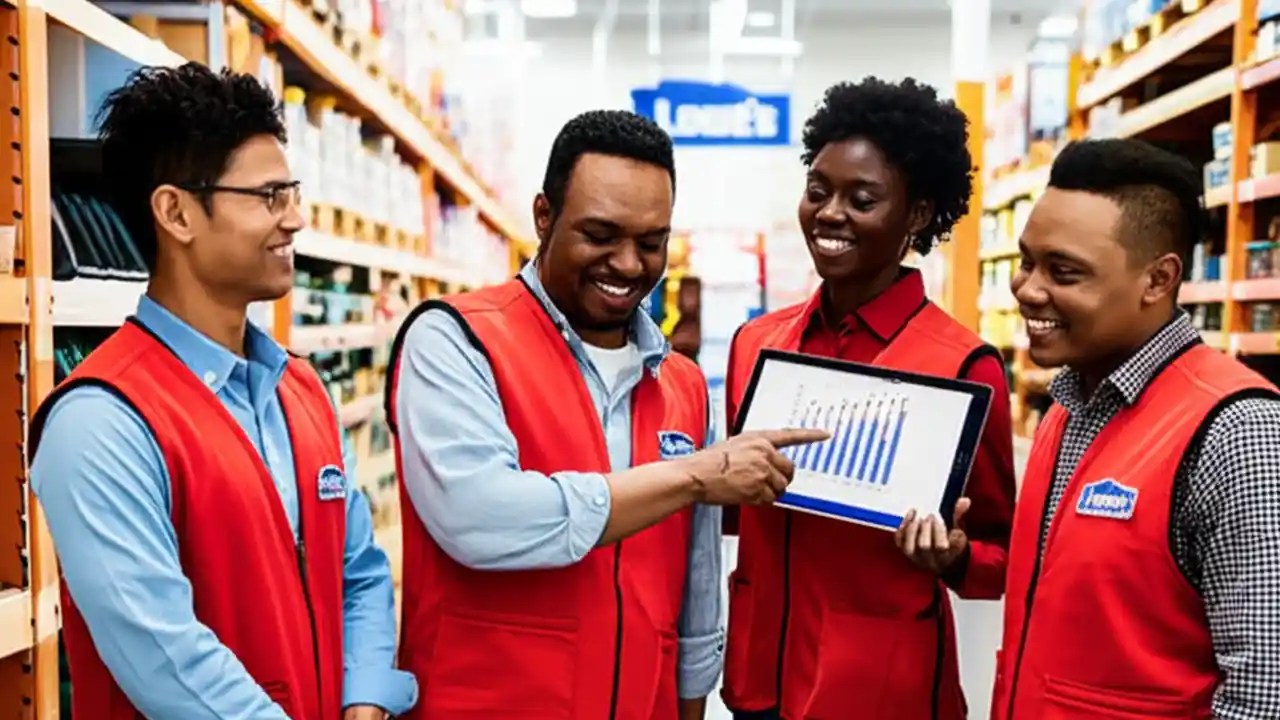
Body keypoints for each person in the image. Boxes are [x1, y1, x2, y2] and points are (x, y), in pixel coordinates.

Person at [385, 109, 825, 720]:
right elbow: (477, 518)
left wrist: (690, 703)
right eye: (600, 235)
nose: (627, 264)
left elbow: (696, 585)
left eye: (651, 243)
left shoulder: (682, 384)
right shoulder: (457, 340)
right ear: (544, 217)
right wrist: (693, 476)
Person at [28, 63, 415, 720]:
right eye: (269, 196)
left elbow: (360, 573)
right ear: (175, 212)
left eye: (292, 192)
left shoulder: (301, 391)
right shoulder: (100, 421)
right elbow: (164, 657)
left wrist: (367, 696)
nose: (295, 219)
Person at [720, 77, 1016, 720]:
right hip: (757, 675)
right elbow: (735, 512)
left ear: (917, 215)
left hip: (878, 687)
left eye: (862, 200)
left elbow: (1003, 554)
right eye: (818, 191)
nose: (830, 214)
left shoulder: (965, 367)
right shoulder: (756, 344)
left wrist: (955, 556)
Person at [992, 138, 1280, 719]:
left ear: (1157, 280)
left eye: (1063, 272)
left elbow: (1263, 693)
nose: (1028, 289)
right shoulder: (1067, 408)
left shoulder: (1237, 431)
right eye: (1027, 262)